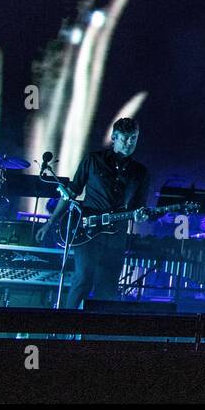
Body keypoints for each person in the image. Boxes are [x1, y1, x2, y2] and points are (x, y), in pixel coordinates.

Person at [36, 118, 151, 308]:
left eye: (134, 138)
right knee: (83, 279)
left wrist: (141, 215)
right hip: (87, 232)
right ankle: (65, 324)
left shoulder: (140, 172)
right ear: (114, 137)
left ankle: (97, 326)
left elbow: (139, 207)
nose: (129, 143)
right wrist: (49, 222)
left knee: (108, 287)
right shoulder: (93, 160)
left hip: (116, 235)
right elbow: (71, 192)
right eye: (125, 138)